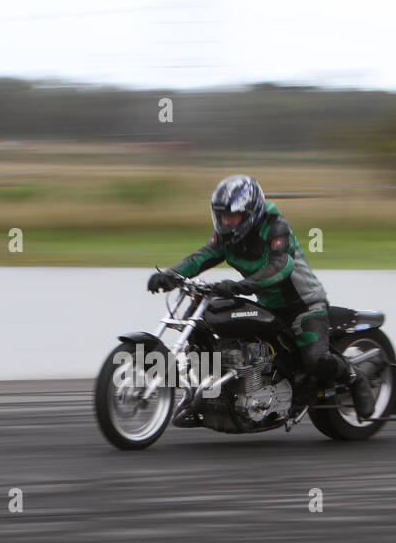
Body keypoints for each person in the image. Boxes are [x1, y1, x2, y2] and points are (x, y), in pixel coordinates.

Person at [147, 174, 376, 418]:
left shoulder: (275, 227)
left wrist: (239, 286)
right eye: (222, 215)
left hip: (304, 306)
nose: (227, 221)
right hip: (268, 306)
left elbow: (278, 267)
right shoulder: (228, 234)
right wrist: (171, 275)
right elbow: (202, 256)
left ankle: (354, 377)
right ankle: (213, 393)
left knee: (316, 360)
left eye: (232, 216)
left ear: (250, 213)